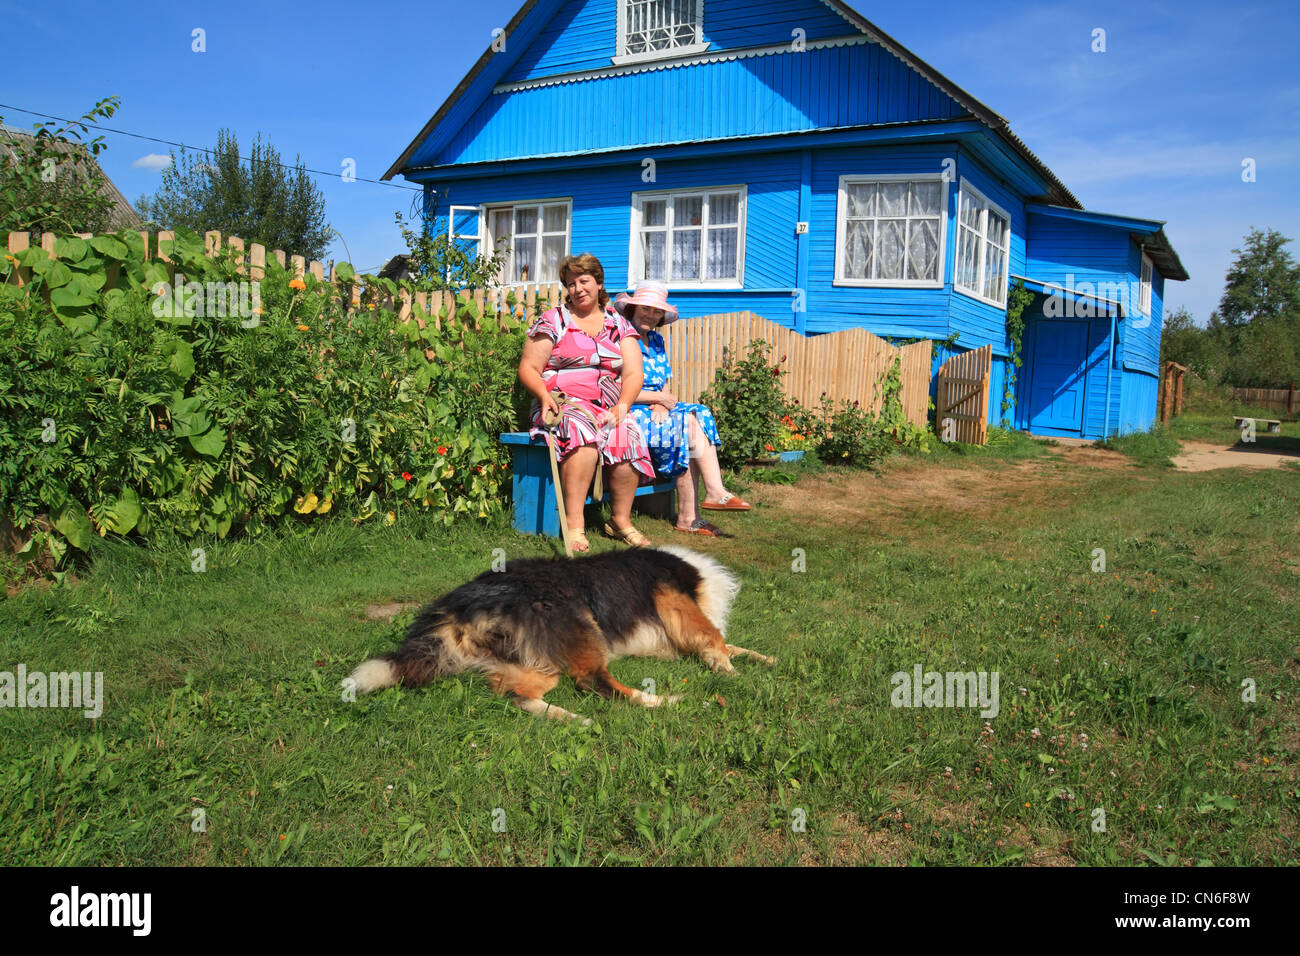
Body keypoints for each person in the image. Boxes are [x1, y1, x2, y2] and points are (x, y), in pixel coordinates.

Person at [518, 254, 656, 552]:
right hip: (560, 405)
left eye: (584, 281)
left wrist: (622, 407)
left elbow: (633, 373)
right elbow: (528, 368)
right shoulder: (554, 320)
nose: (578, 289)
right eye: (571, 283)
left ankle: (620, 521)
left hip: (606, 407)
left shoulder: (618, 323)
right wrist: (543, 396)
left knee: (627, 434)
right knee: (580, 429)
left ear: (599, 283)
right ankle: (575, 524)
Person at [616, 281, 752, 537]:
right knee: (686, 424)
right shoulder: (620, 338)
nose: (651, 315)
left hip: (655, 408)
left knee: (698, 414)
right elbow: (619, 388)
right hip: (627, 412)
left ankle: (694, 513)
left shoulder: (656, 340)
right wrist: (657, 400)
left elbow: (665, 384)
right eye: (645, 308)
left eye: (657, 312)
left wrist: (661, 400)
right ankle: (707, 500)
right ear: (632, 309)